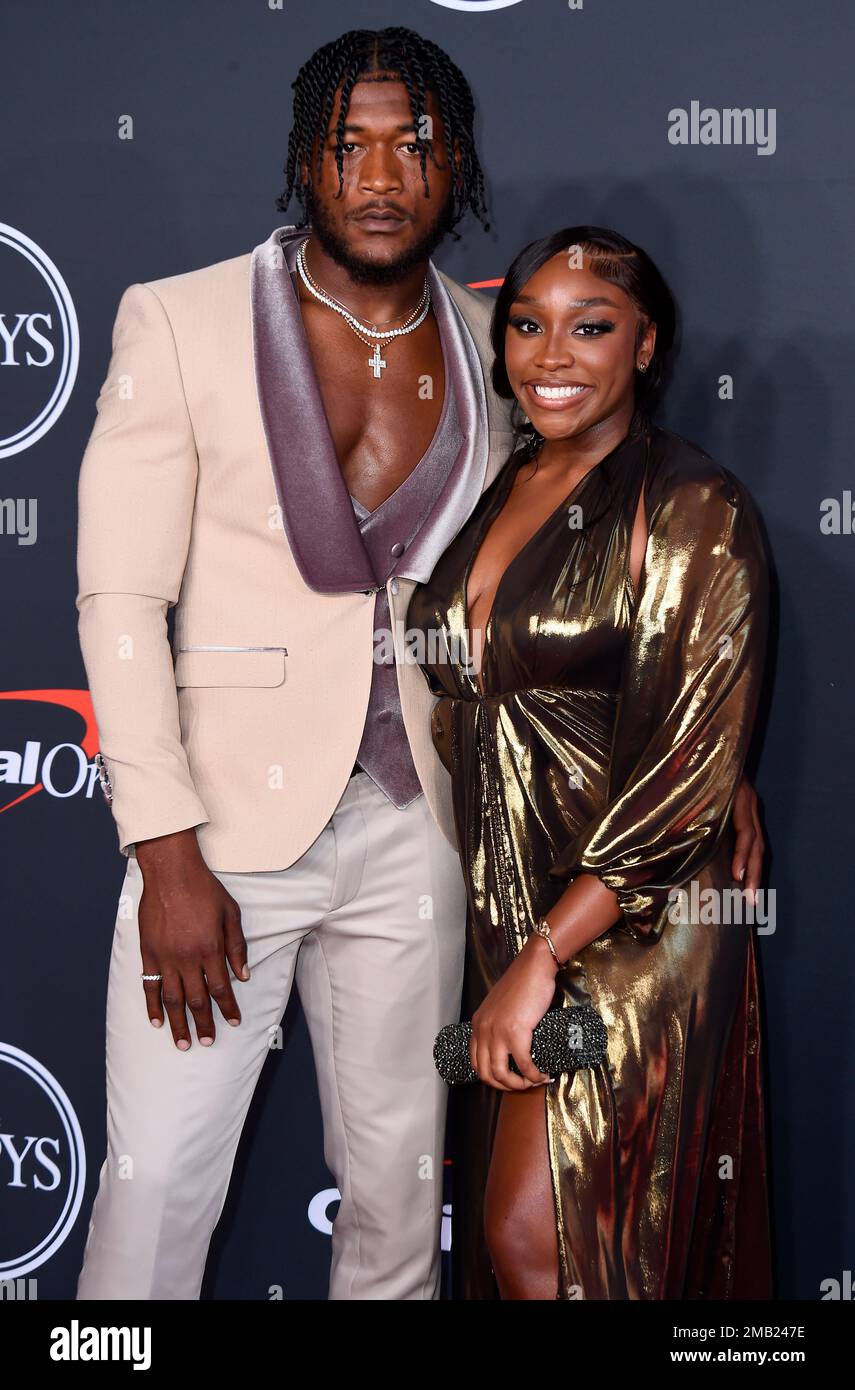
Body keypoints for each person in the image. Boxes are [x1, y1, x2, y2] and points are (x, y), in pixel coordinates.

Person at [74, 26, 764, 1302]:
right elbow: (120, 597)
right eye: (351, 147)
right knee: (158, 1177)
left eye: (415, 145)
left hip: (428, 828)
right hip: (223, 829)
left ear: (456, 170)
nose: (382, 174)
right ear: (307, 162)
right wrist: (163, 844)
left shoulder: (496, 343)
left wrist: (704, 750)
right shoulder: (179, 320)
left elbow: (588, 555)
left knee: (398, 1187)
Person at [407, 226, 774, 1300]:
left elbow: (681, 769)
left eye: (591, 327)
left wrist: (540, 957)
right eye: (527, 325)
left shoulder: (693, 506)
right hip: (508, 903)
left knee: (548, 1238)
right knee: (537, 1249)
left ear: (646, 345)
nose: (551, 354)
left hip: (626, 926)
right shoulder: (502, 480)